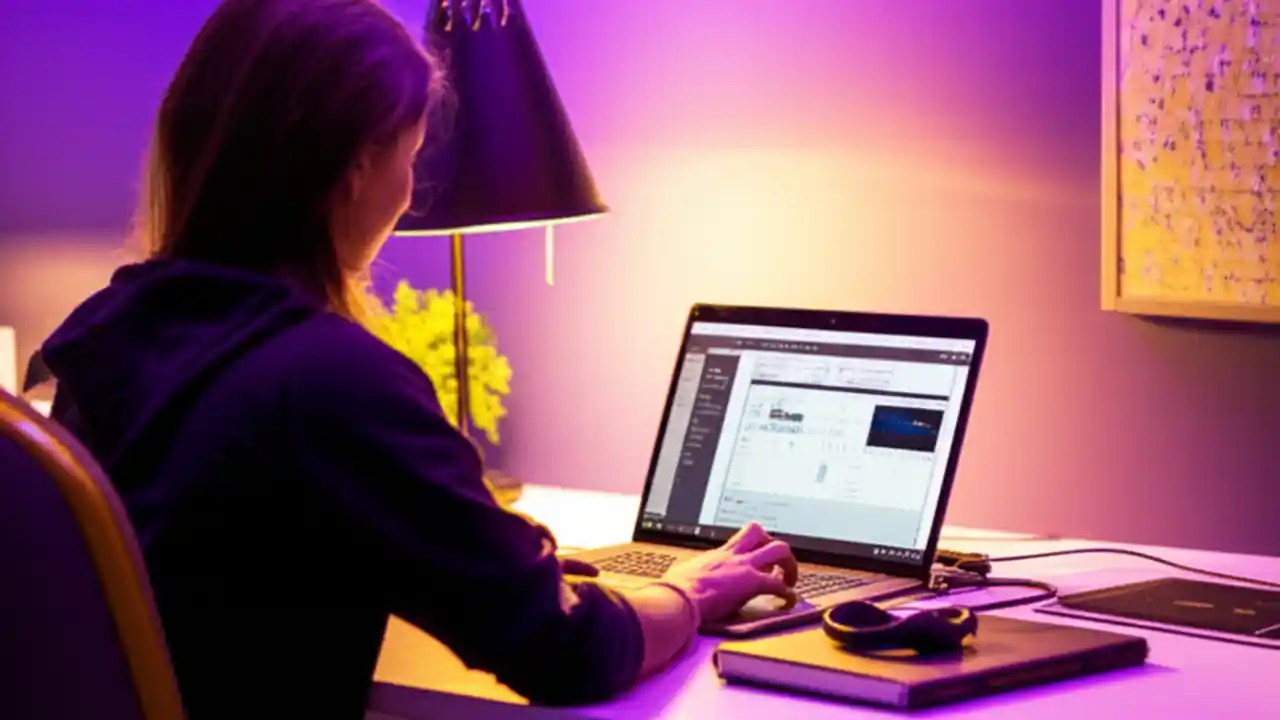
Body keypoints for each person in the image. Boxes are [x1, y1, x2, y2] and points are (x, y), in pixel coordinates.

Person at [40, 1, 799, 716]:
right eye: (408, 156)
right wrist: (688, 594)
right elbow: (565, 652)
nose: (409, 195)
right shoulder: (326, 379)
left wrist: (486, 555)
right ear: (358, 166)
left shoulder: (103, 339)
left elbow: (243, 558)